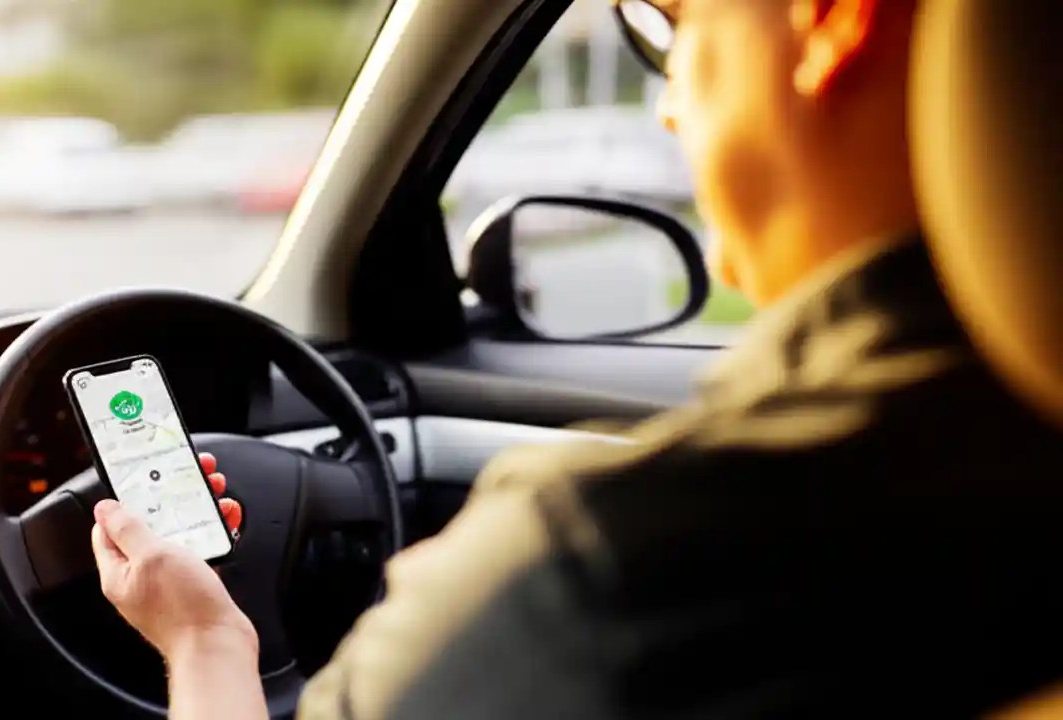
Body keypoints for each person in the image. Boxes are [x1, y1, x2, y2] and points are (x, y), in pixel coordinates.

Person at [92, 0, 1063, 717]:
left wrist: (206, 641)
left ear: (829, 18)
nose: (667, 108)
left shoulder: (610, 583)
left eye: (671, 26)